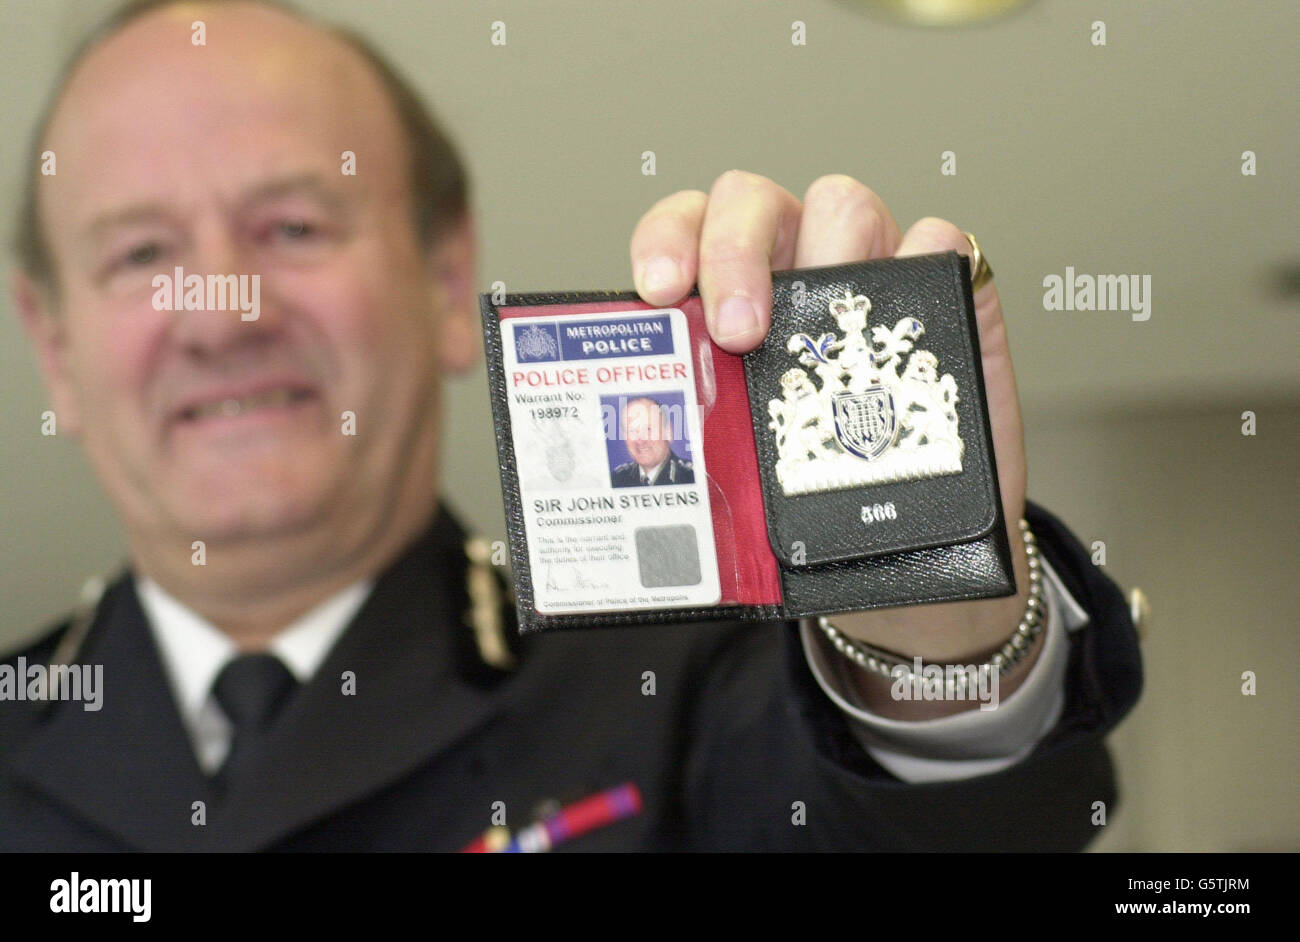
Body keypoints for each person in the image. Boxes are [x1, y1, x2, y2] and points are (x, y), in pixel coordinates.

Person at [0, 0, 1141, 852]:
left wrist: (923, 616)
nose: (226, 312)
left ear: (448, 284)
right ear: (53, 345)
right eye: (142, 254)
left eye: (292, 226)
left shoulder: (686, 673)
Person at [610, 396, 695, 487]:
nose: (641, 440)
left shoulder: (691, 476)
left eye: (648, 429)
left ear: (668, 432)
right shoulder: (617, 479)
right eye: (632, 431)